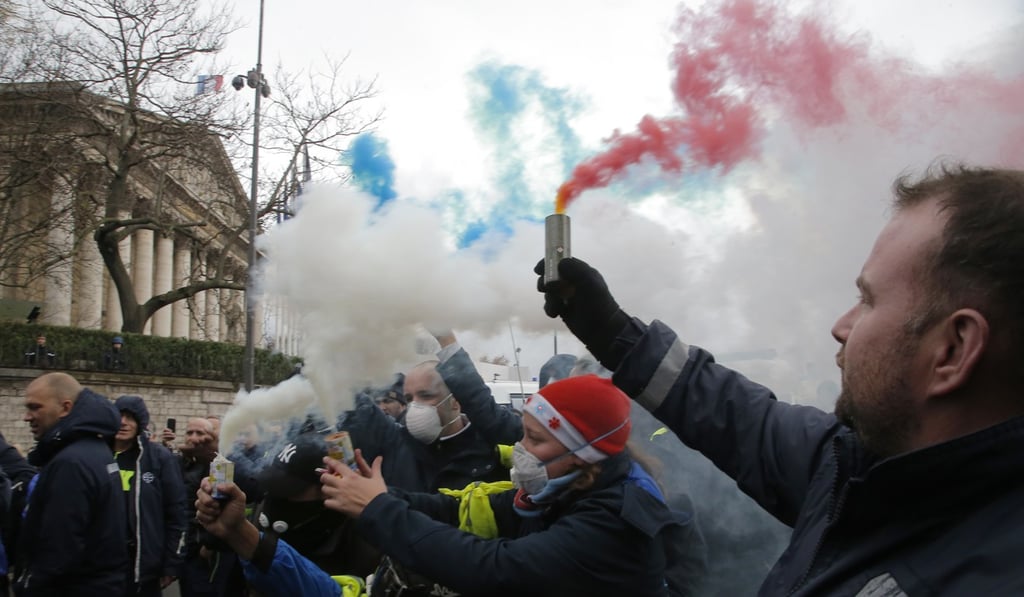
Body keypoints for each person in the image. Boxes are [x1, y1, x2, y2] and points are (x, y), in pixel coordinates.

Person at [534, 164, 1024, 594]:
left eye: (869, 300)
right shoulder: (857, 463)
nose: (841, 326)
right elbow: (736, 415)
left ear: (953, 349)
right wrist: (616, 334)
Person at [318, 374, 685, 596]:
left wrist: (378, 510)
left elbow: (494, 569)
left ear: (582, 453)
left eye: (535, 439)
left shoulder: (613, 520)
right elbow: (457, 511)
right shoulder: (564, 489)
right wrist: (381, 494)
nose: (520, 449)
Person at [15, 372, 127, 596]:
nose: (28, 417)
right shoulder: (95, 450)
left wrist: (28, 585)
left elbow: (59, 546)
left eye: (35, 407)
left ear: (65, 408)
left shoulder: (71, 463)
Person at [251, 434, 379, 579]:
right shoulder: (264, 510)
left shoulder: (359, 539)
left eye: (287, 490)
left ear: (329, 488)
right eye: (272, 487)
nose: (278, 498)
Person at [113, 395, 188, 596]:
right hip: (101, 566)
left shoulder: (158, 458)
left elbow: (176, 512)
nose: (123, 422)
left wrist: (171, 562)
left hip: (143, 566)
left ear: (140, 423)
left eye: (130, 417)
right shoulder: (98, 454)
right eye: (119, 416)